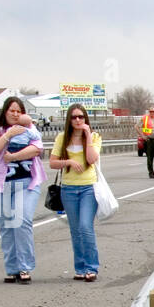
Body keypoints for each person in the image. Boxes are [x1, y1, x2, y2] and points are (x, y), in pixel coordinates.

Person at [0, 96, 45, 284]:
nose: (15, 114)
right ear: (5, 112)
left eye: (19, 111)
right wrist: (8, 135)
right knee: (7, 226)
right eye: (12, 111)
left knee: (22, 220)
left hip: (27, 184)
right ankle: (12, 269)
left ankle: (25, 268)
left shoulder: (29, 129)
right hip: (0, 186)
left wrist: (13, 157)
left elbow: (37, 149)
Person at [50, 103, 101, 282]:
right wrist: (69, 163)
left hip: (88, 187)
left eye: (81, 117)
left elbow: (92, 159)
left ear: (86, 119)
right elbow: (53, 163)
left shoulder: (94, 137)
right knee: (75, 230)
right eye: (74, 117)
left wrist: (87, 135)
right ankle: (80, 268)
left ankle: (91, 267)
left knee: (86, 227)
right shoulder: (62, 138)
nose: (78, 120)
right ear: (69, 120)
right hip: (68, 189)